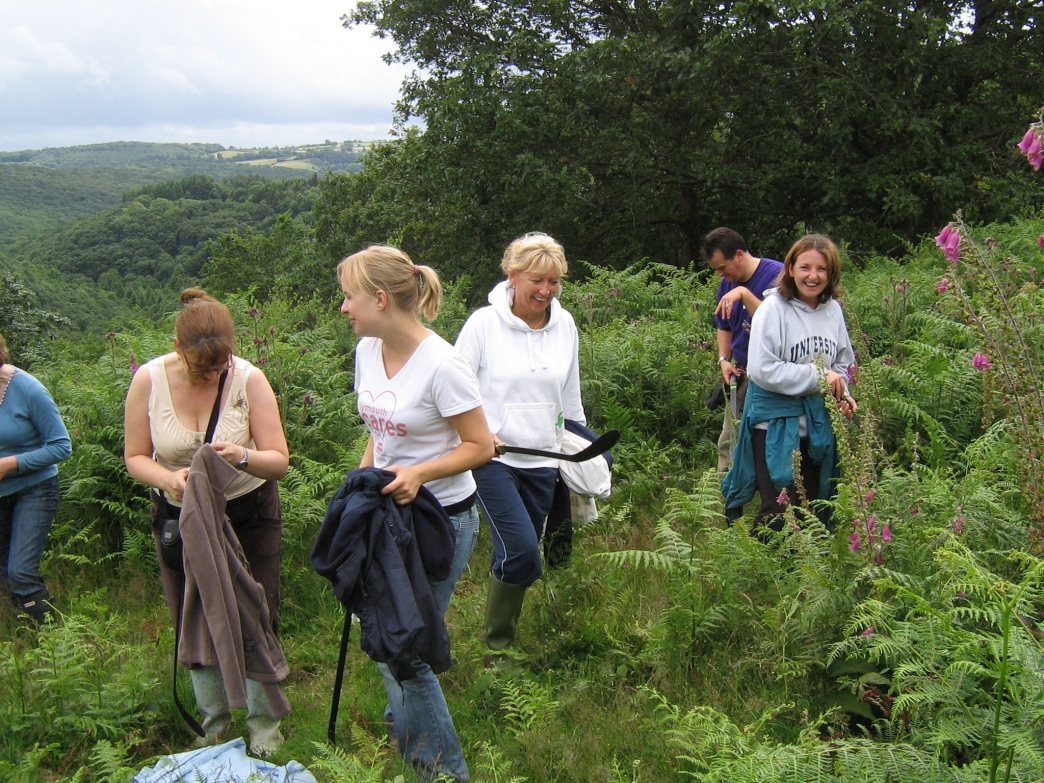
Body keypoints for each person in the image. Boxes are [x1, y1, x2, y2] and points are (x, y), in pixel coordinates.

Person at [338, 245, 493, 782]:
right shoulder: (367, 350)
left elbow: (480, 446)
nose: (343, 308)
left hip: (439, 522)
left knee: (405, 648)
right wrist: (361, 481)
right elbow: (379, 431)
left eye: (349, 296)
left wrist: (420, 473)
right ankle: (404, 723)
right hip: (384, 516)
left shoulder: (443, 365)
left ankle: (444, 772)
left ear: (380, 299)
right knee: (388, 633)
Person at [123, 288, 291, 755]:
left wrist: (241, 455)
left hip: (249, 513)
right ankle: (214, 725)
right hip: (182, 519)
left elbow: (278, 460)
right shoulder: (149, 381)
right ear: (179, 351)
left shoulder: (249, 380)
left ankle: (264, 728)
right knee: (194, 616)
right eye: (203, 369)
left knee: (256, 613)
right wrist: (169, 479)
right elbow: (135, 457)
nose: (214, 374)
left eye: (221, 367)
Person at [455, 232, 585, 653]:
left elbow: (570, 394)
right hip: (493, 458)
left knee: (515, 555)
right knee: (525, 552)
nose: (546, 291)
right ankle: (498, 649)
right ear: (514, 277)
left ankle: (502, 646)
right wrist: (479, 435)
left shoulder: (565, 325)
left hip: (544, 459)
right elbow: (454, 388)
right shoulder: (483, 324)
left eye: (554, 282)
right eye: (537, 281)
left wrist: (582, 446)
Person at [721, 234, 857, 531]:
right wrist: (820, 377)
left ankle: (805, 576)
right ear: (791, 268)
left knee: (814, 509)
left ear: (831, 273)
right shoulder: (773, 309)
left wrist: (842, 392)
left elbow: (844, 363)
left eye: (821, 269)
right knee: (779, 510)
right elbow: (762, 369)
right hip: (773, 426)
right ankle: (762, 573)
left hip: (817, 425)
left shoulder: (832, 309)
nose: (813, 276)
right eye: (805, 267)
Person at [0, 332, 72, 626]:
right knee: (3, 571)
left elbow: (61, 446)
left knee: (20, 571)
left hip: (34, 487)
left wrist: (11, 463)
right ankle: (24, 640)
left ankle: (58, 640)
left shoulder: (28, 389)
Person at [703, 227, 784, 472]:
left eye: (722, 267)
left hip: (773, 374)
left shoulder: (777, 276)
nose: (720, 275)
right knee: (729, 438)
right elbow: (724, 326)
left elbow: (777, 326)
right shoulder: (728, 284)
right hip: (742, 370)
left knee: (767, 437)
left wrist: (745, 294)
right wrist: (723, 359)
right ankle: (725, 492)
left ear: (738, 255)